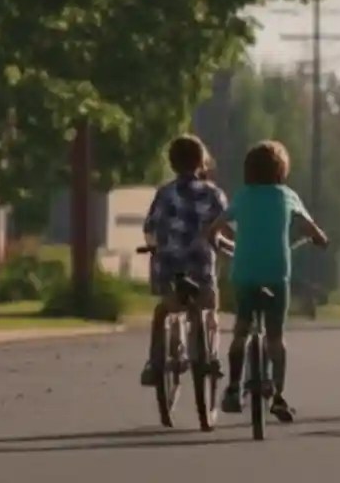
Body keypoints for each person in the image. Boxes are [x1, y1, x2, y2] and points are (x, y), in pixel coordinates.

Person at [204, 140, 328, 422]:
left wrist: (221, 246)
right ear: (282, 171)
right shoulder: (288, 196)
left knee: (241, 332)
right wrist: (320, 240)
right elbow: (313, 230)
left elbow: (214, 228)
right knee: (275, 337)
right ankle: (279, 396)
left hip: (245, 271)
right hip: (276, 273)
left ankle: (234, 388)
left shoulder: (243, 197)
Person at [140, 135, 229, 388]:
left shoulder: (165, 193)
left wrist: (154, 246)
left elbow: (150, 228)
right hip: (201, 268)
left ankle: (156, 362)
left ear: (172, 163)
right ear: (202, 162)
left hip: (170, 269)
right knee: (209, 308)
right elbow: (225, 228)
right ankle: (211, 356)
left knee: (164, 311)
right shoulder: (214, 193)